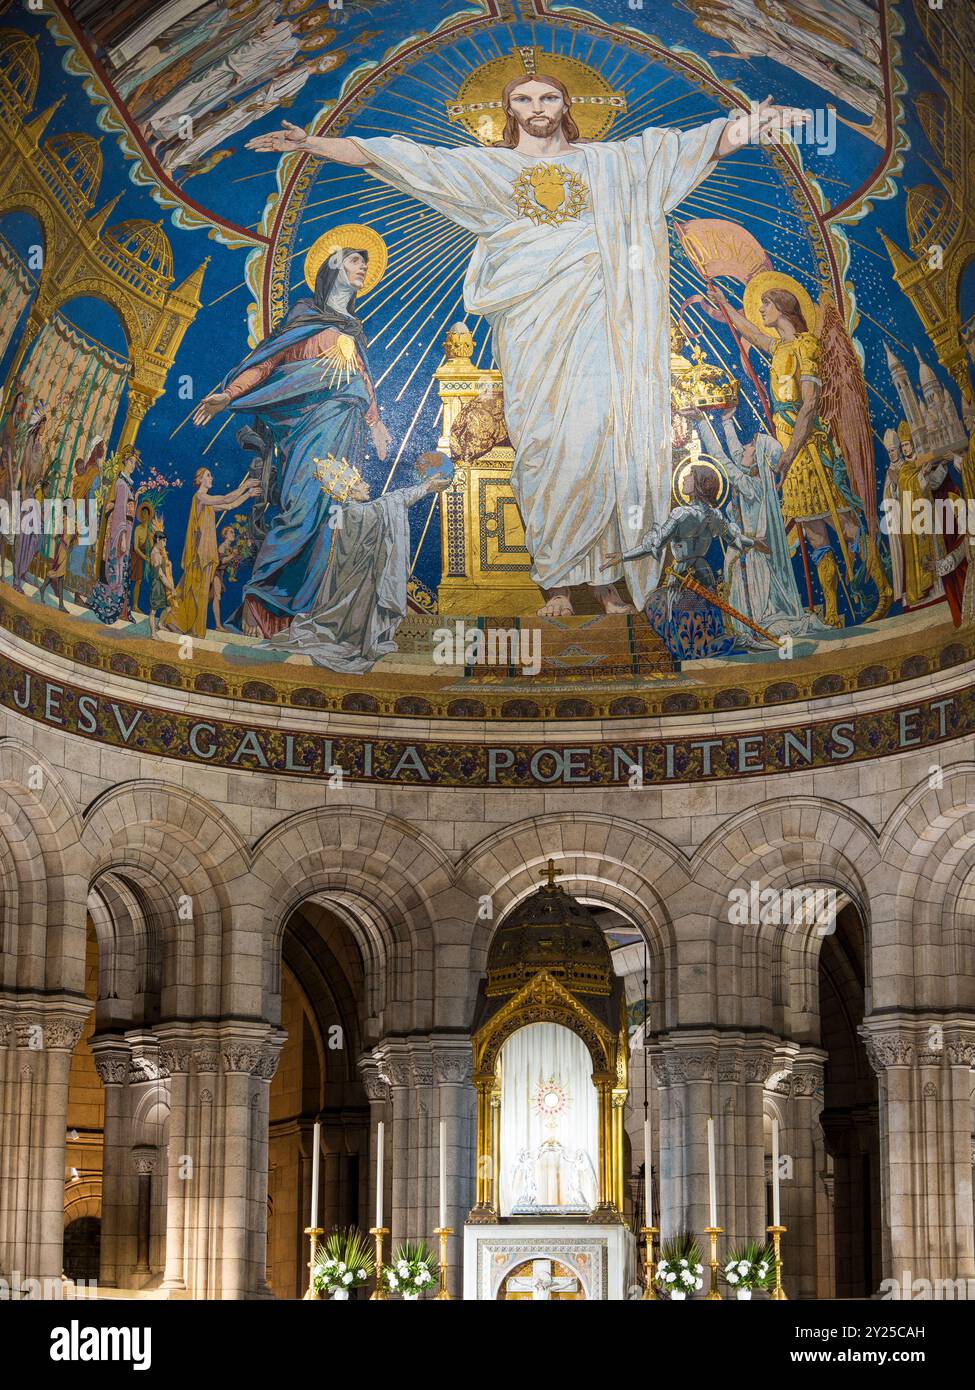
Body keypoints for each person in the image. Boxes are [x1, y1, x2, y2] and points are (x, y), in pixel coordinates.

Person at [247, 82, 804, 618]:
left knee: (603, 442)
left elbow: (690, 146)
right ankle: (557, 577)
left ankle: (608, 576)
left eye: (548, 97)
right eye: (524, 100)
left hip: (599, 329)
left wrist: (753, 126)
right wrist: (313, 143)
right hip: (532, 332)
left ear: (566, 104)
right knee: (544, 446)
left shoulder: (613, 163)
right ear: (510, 109)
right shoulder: (492, 170)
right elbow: (405, 159)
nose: (537, 107)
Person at [193, 238, 391, 637]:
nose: (362, 270)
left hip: (345, 431)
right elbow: (267, 364)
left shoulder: (353, 328)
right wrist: (229, 395)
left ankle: (304, 617)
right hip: (306, 430)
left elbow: (363, 379)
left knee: (331, 525)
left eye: (365, 266)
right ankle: (260, 604)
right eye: (355, 260)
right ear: (334, 264)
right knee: (300, 512)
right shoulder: (304, 318)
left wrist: (376, 422)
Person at [708, 284, 890, 627]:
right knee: (814, 535)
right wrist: (725, 307)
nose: (761, 311)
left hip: (810, 451)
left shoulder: (807, 346)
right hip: (790, 457)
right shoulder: (779, 347)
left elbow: (811, 404)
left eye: (766, 305)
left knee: (848, 527)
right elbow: (748, 331)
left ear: (782, 308)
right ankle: (834, 612)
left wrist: (790, 453)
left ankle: (882, 592)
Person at [263, 468, 451, 672]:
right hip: (357, 589)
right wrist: (426, 487)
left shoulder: (346, 512)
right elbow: (392, 502)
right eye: (361, 483)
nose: (367, 485)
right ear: (349, 491)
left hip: (354, 587)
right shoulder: (355, 513)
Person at [688, 406, 828, 640]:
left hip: (752, 558)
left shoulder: (751, 487)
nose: (743, 447)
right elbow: (733, 452)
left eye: (750, 447)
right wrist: (726, 421)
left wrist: (701, 421)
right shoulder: (748, 479)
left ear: (759, 460)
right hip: (742, 552)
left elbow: (722, 457)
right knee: (747, 618)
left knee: (757, 620)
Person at [603, 463, 759, 660]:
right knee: (704, 624)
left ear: (700, 484)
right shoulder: (715, 515)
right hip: (704, 572)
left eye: (689, 476)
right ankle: (728, 643)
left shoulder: (681, 514)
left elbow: (654, 544)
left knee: (664, 613)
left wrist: (623, 556)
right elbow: (735, 540)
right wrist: (755, 542)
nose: (684, 479)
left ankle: (705, 649)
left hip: (683, 575)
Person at [162, 467, 260, 638]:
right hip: (198, 557)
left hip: (206, 556)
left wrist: (248, 495)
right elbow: (225, 497)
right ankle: (179, 623)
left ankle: (181, 624)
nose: (211, 477)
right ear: (200, 479)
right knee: (193, 591)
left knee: (196, 592)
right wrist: (244, 486)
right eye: (208, 475)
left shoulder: (208, 504)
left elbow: (230, 505)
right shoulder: (200, 497)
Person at [146, 521, 176, 638]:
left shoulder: (159, 552)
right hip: (158, 585)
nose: (165, 544)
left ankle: (160, 623)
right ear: (158, 540)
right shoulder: (155, 554)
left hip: (163, 584)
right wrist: (171, 587)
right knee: (153, 611)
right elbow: (161, 575)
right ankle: (153, 634)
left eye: (166, 541)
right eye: (163, 541)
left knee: (168, 607)